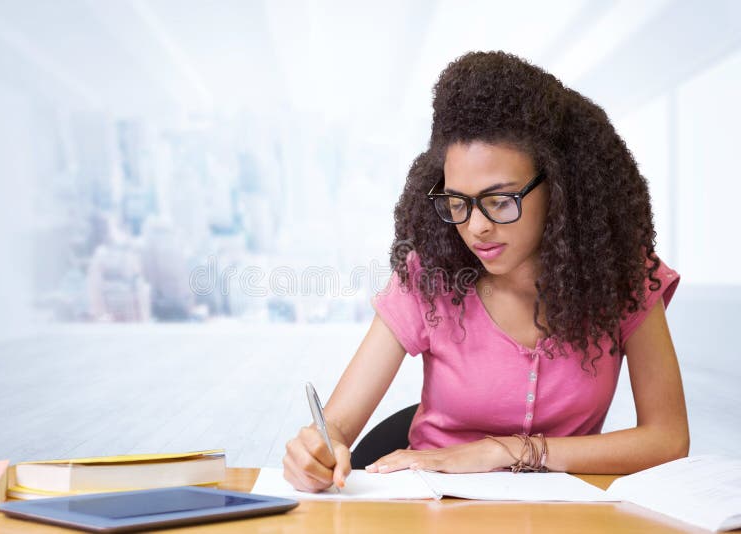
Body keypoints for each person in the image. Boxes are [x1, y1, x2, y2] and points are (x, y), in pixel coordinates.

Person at [282, 51, 689, 493]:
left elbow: (668, 439)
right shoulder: (431, 276)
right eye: (458, 202)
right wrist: (317, 450)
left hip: (562, 518)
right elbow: (336, 427)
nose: (475, 227)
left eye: (499, 200)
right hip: (433, 510)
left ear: (559, 186)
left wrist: (506, 450)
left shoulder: (623, 276)